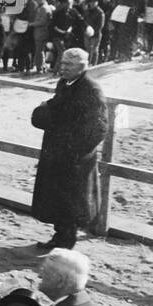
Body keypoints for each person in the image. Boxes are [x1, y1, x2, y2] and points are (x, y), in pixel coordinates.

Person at [29, 48, 107, 250]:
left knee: (71, 203)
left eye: (68, 65)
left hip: (76, 158)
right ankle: (59, 237)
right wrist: (45, 107)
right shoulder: (64, 83)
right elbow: (59, 106)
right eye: (62, 63)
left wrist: (76, 153)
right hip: (57, 152)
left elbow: (100, 128)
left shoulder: (91, 89)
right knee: (56, 198)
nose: (62, 68)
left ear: (83, 67)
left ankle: (66, 243)